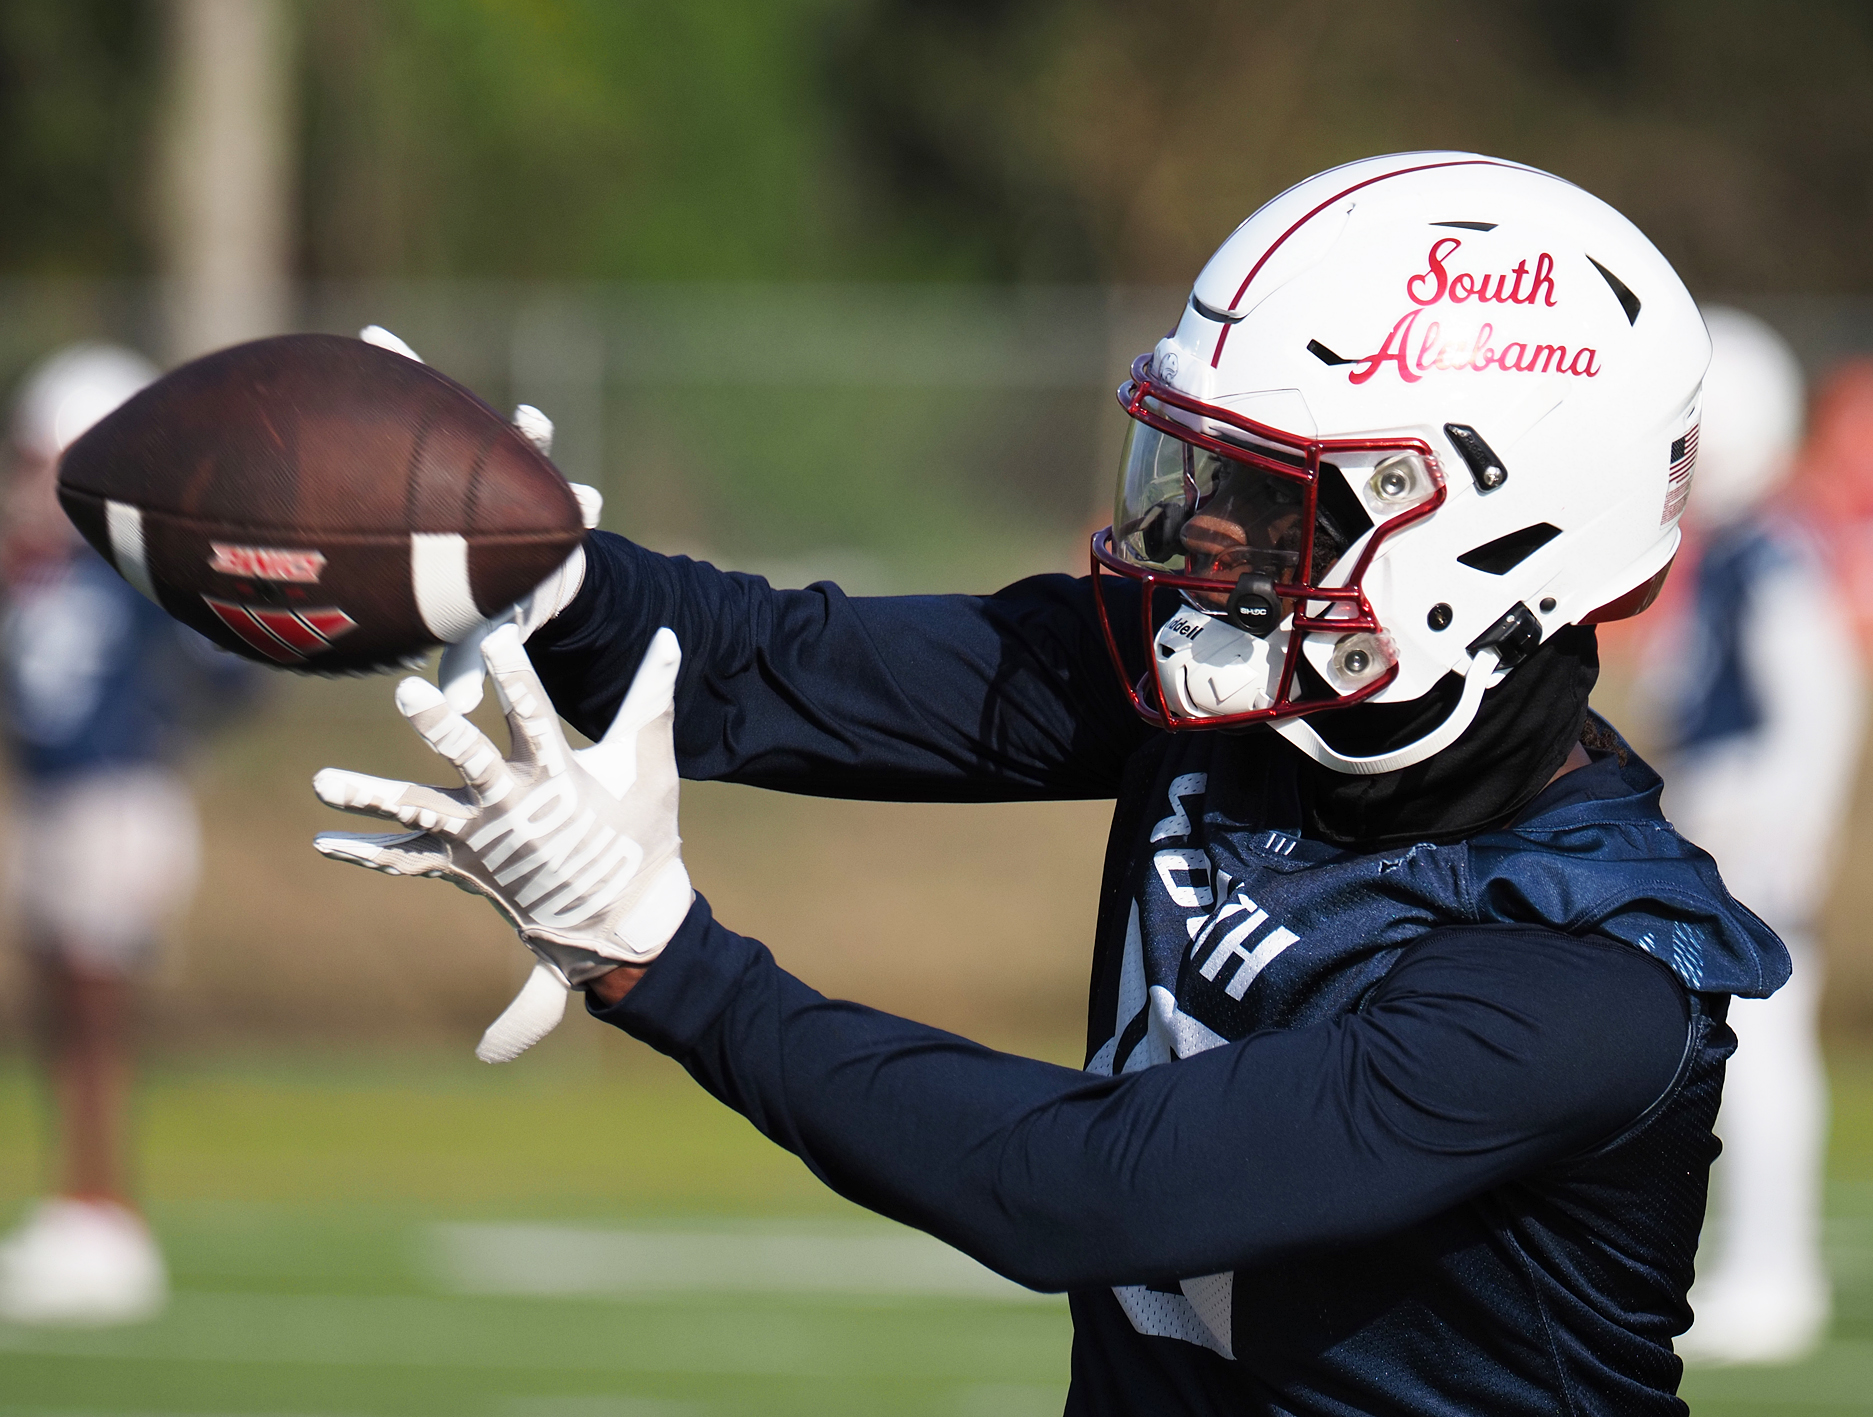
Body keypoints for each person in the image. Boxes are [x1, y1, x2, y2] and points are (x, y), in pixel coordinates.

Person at [315, 154, 1781, 1415]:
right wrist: (533, 571)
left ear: (1482, 540)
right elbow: (776, 664)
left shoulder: (1588, 973)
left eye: (1271, 501)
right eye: (1206, 477)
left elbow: (1092, 1190)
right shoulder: (1231, 696)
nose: (1200, 539)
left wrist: (668, 965)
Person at [0, 345, 253, 1325]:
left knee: (97, 1007)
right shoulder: (35, 569)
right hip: (55, 798)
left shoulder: (136, 569)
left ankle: (107, 1216)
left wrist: (161, 731)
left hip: (116, 798)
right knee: (62, 1008)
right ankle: (78, 1206)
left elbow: (223, 668)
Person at [1638, 310, 1864, 1364]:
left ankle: (1770, 1278)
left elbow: (1816, 701)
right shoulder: (1740, 549)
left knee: (1761, 1061)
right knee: (1734, 1063)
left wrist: (1777, 836)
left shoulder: (1766, 552)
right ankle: (1747, 1270)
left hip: (1749, 839)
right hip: (1726, 825)